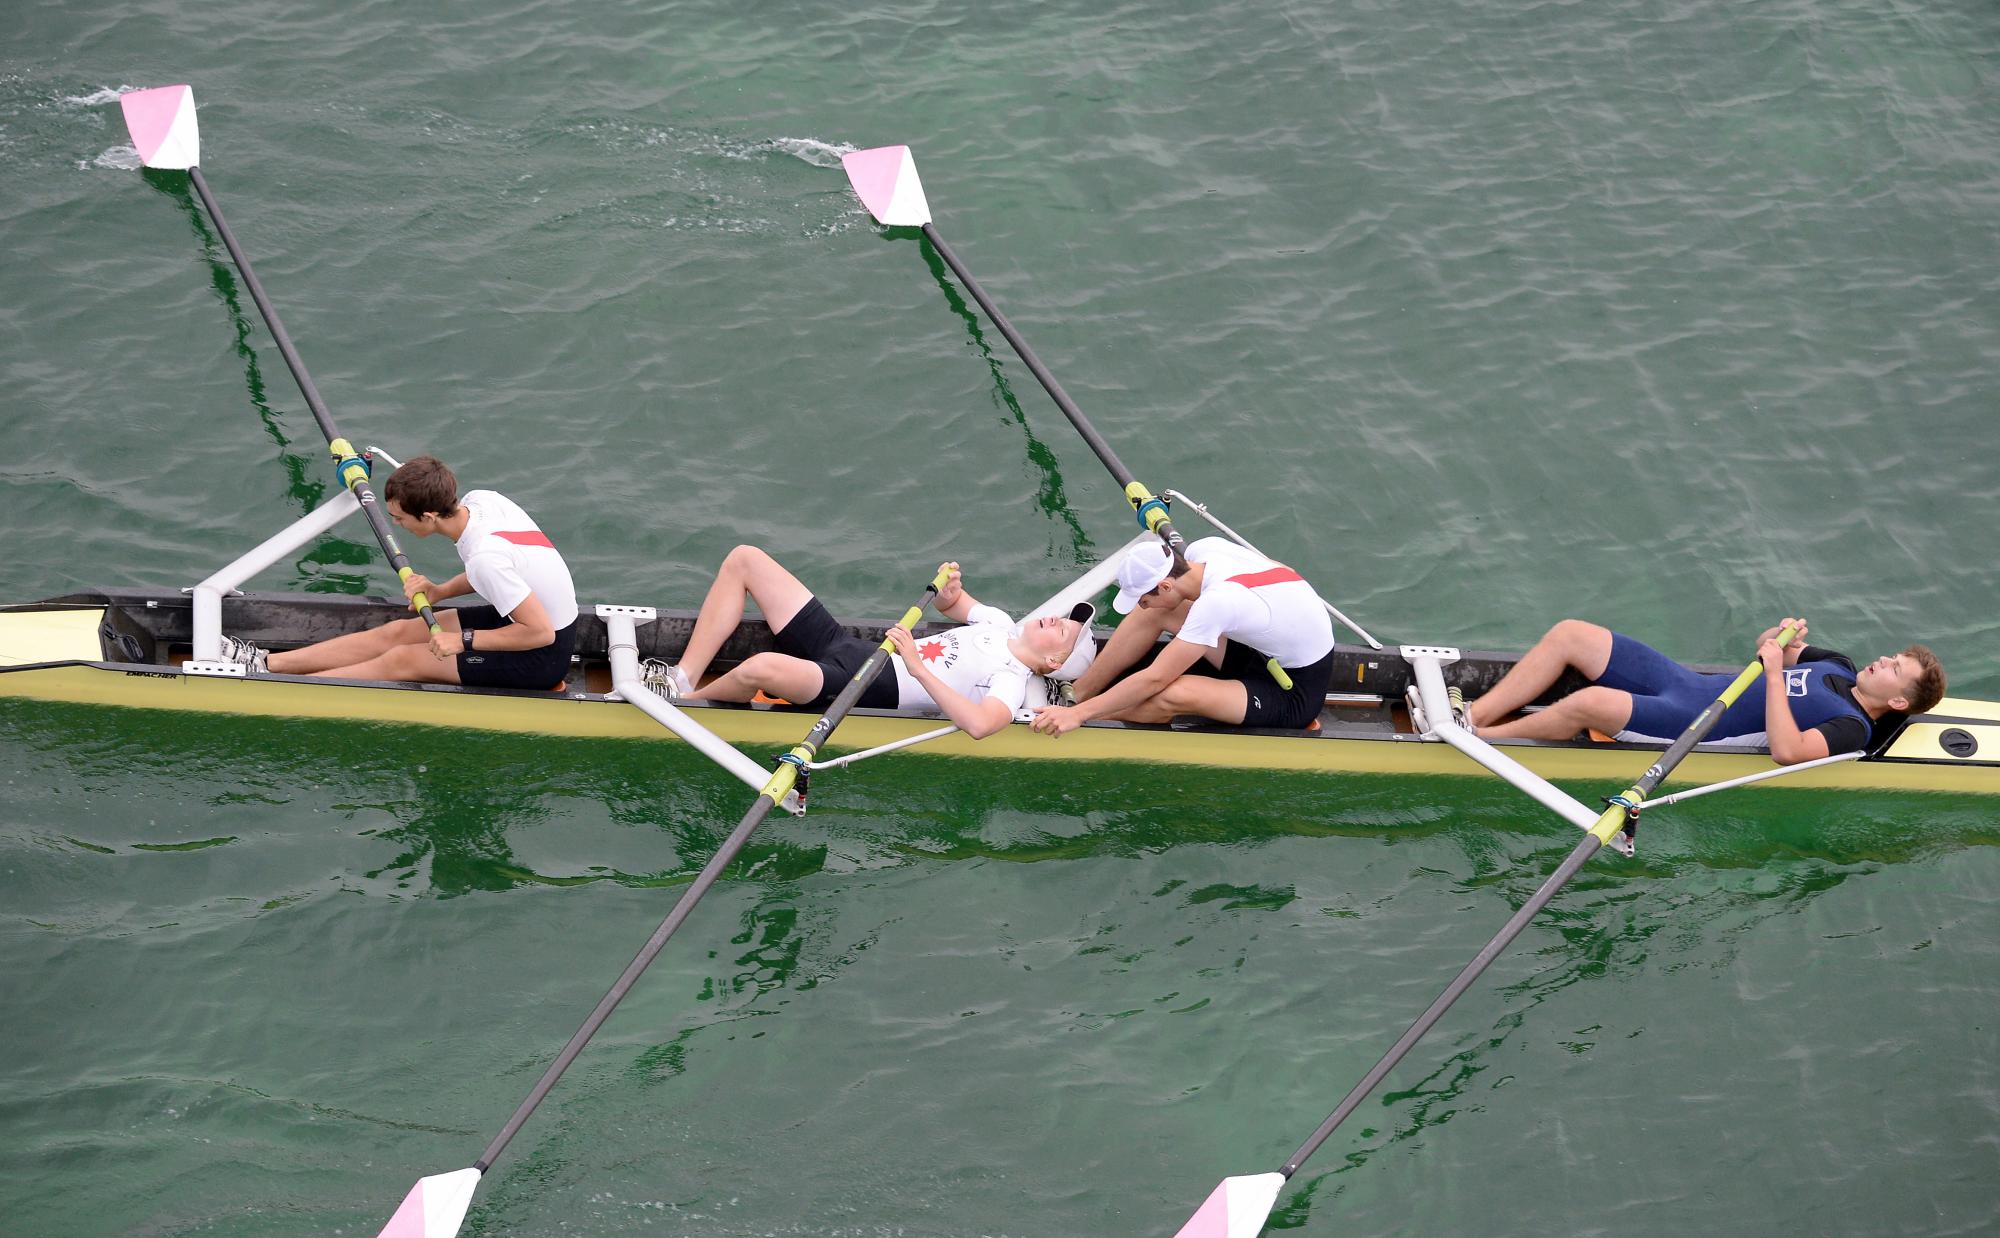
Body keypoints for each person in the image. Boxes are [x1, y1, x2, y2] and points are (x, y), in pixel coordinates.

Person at [653, 545, 1097, 740]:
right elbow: (954, 603)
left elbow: (982, 727)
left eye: (1063, 630)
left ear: (1054, 660)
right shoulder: (1002, 624)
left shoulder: (1010, 681)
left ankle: (685, 706)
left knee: (761, 668)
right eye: (1060, 617)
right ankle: (681, 677)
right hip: (855, 650)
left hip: (865, 686)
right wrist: (951, 587)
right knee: (745, 560)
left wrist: (919, 669)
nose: (1054, 619)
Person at [214, 456, 579, 689]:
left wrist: (463, 641)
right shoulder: (483, 502)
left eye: (399, 518)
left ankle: (280, 691)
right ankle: (264, 663)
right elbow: (502, 574)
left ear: (429, 516)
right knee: (399, 632)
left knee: (400, 659)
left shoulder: (486, 554)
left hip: (542, 655)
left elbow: (541, 633)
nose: (396, 523)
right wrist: (438, 592)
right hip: (517, 619)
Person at [1458, 617, 1946, 763]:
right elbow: (1767, 651)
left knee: (1588, 703)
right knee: (1572, 634)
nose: (1882, 660)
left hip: (1694, 724)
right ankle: (1474, 715)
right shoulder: (1838, 665)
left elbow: (1788, 752)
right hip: (1686, 684)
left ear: (1898, 702)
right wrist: (1780, 641)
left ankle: (1485, 742)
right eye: (1891, 656)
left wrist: (1774, 673)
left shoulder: (1852, 728)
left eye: (1893, 668)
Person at [1030, 538, 1336, 736]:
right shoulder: (1205, 549)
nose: (1140, 604)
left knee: (1173, 692)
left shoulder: (1217, 603)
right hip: (1263, 652)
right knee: (1156, 613)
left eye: (1143, 597)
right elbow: (1285, 569)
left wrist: (1083, 716)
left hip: (1294, 691)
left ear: (1164, 585)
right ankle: (1079, 693)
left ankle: (1084, 721)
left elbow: (1154, 679)